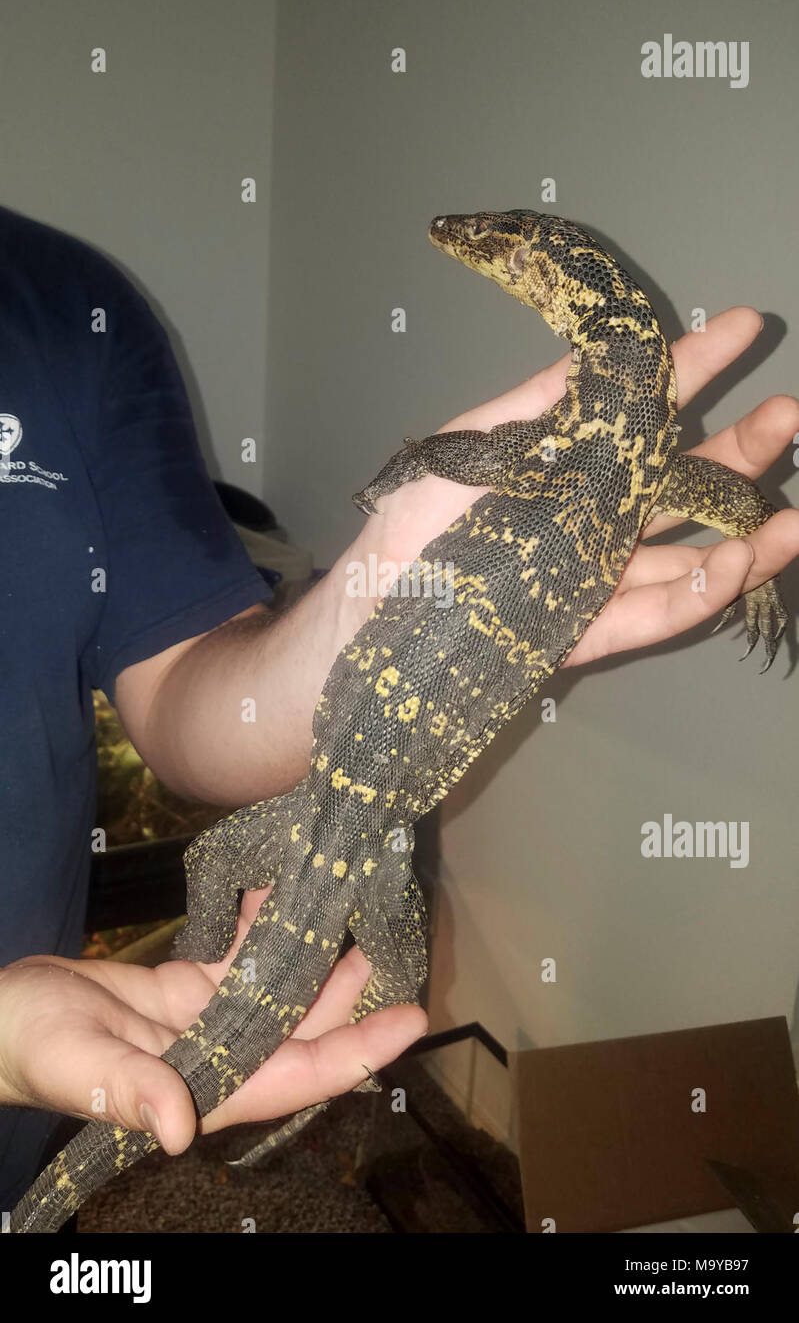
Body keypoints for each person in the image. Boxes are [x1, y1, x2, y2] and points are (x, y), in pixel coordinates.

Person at [1, 204, 797, 1213]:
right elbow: (723, 499)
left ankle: (297, 1011)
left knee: (239, 877)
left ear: (567, 303)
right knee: (357, 932)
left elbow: (709, 499)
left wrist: (421, 462)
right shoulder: (611, 467)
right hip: (348, 813)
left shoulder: (70, 296)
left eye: (499, 247)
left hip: (341, 805)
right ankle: (335, 1002)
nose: (472, 248)